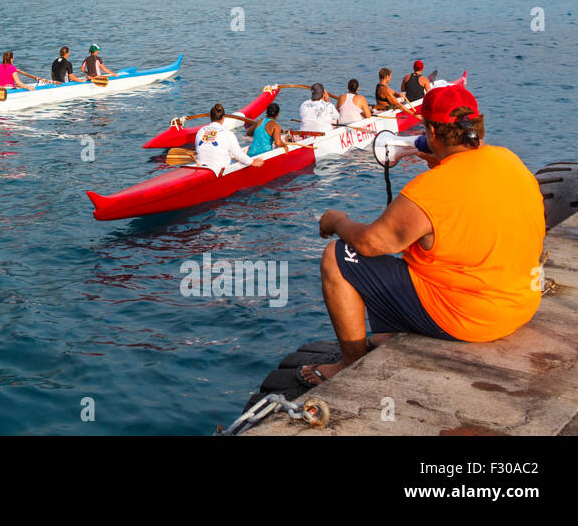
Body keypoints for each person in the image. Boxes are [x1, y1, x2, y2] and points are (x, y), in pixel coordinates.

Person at [299, 85, 544, 386]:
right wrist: (443, 162)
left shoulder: (431, 189)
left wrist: (338, 220)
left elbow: (370, 243)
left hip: (470, 318)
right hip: (520, 305)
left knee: (337, 257)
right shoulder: (511, 162)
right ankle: (395, 327)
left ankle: (349, 363)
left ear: (430, 131)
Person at [195, 104, 265, 173]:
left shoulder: (201, 131)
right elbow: (238, 154)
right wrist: (252, 162)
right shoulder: (228, 133)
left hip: (201, 166)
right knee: (237, 157)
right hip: (219, 169)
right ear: (223, 118)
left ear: (210, 117)